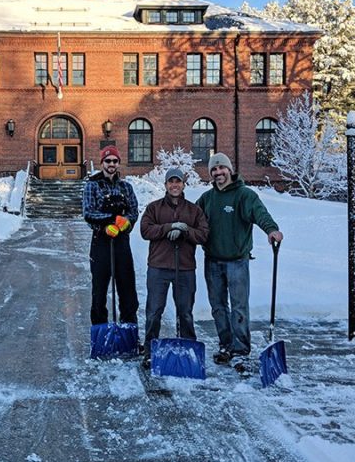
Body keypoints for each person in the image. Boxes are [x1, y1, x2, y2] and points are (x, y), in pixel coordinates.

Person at [196, 152, 283, 373]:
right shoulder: (207, 199)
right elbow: (191, 217)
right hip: (212, 260)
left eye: (221, 168)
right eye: (214, 170)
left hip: (237, 262)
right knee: (218, 307)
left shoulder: (244, 195)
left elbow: (260, 214)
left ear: (230, 169)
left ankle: (241, 348)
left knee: (239, 307)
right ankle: (226, 344)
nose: (218, 173)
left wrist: (271, 229)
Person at [139, 168, 209, 369]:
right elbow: (145, 230)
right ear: (166, 185)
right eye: (171, 182)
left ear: (183, 184)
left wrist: (185, 231)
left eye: (178, 182)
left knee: (185, 312)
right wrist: (169, 227)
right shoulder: (154, 208)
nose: (174, 185)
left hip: (185, 268)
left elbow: (204, 235)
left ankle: (188, 349)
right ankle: (150, 350)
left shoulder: (194, 210)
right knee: (154, 312)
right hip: (158, 267)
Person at [82, 145, 140, 328]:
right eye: (108, 161)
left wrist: (127, 222)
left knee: (128, 291)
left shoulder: (126, 187)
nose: (111, 164)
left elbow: (133, 211)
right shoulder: (92, 186)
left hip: (122, 243)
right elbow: (88, 213)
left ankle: (128, 332)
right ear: (102, 163)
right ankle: (100, 334)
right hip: (101, 243)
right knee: (99, 292)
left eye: (115, 161)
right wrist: (108, 223)